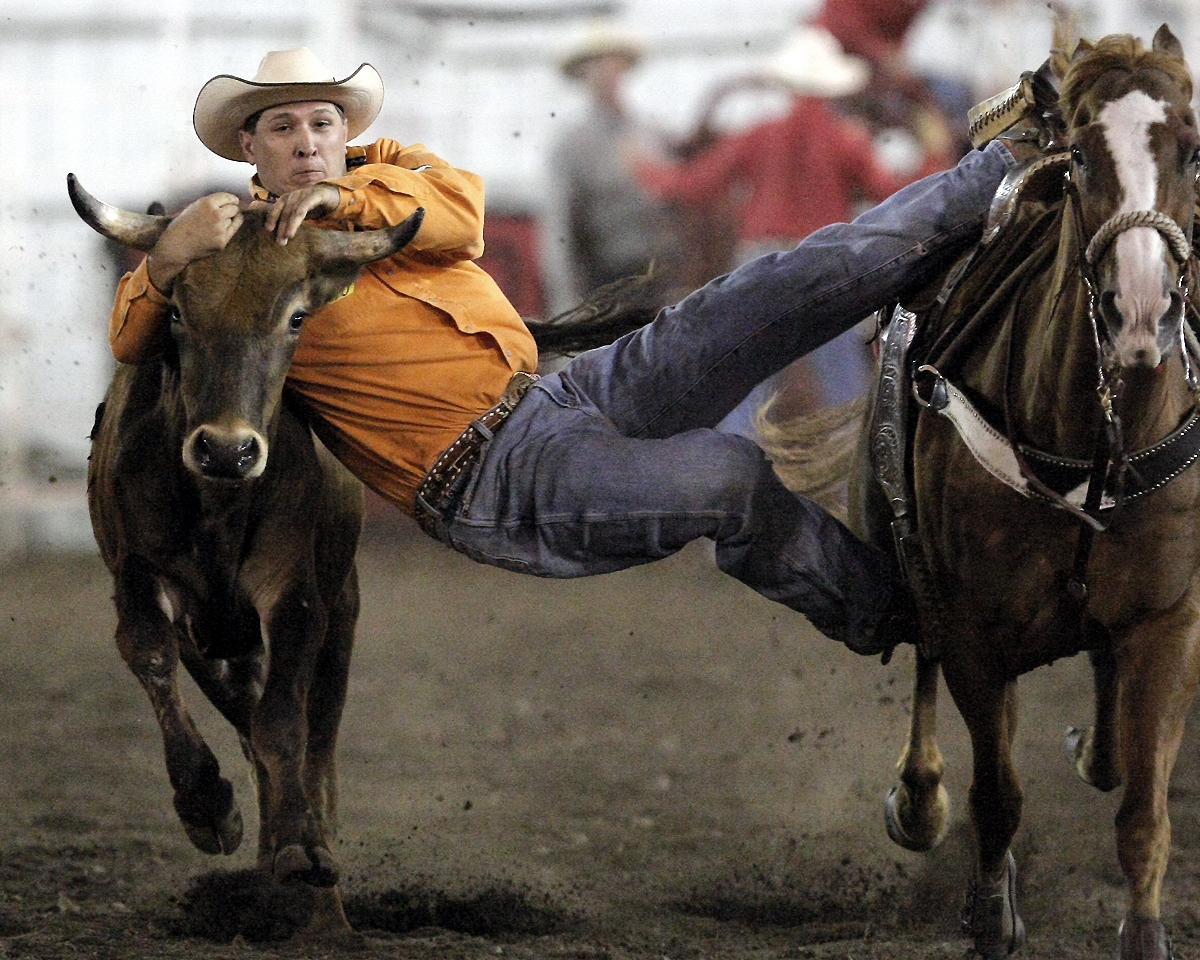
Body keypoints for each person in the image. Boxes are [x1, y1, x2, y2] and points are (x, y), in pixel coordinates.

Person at [105, 47, 1017, 658]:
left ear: (343, 134)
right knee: (730, 476)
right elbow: (134, 340)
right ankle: (906, 617)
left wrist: (341, 203)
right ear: (250, 147)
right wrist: (166, 261)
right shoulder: (237, 258)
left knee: (777, 284)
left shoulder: (388, 180)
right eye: (283, 127)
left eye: (320, 124)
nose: (307, 141)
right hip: (490, 476)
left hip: (562, 394)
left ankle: (1004, 168)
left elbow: (457, 212)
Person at [636, 26, 951, 436]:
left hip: (760, 259)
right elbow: (893, 192)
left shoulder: (759, 133)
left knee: (746, 368)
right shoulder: (845, 138)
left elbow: (692, 186)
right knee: (842, 376)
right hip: (825, 260)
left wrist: (644, 170)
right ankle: (853, 469)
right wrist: (933, 155)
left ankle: (723, 455)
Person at [541, 25, 684, 317]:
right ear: (583, 76)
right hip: (606, 280)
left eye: (613, 65)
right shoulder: (572, 144)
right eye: (596, 67)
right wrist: (571, 306)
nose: (607, 74)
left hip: (663, 277)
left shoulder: (653, 133)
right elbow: (561, 227)